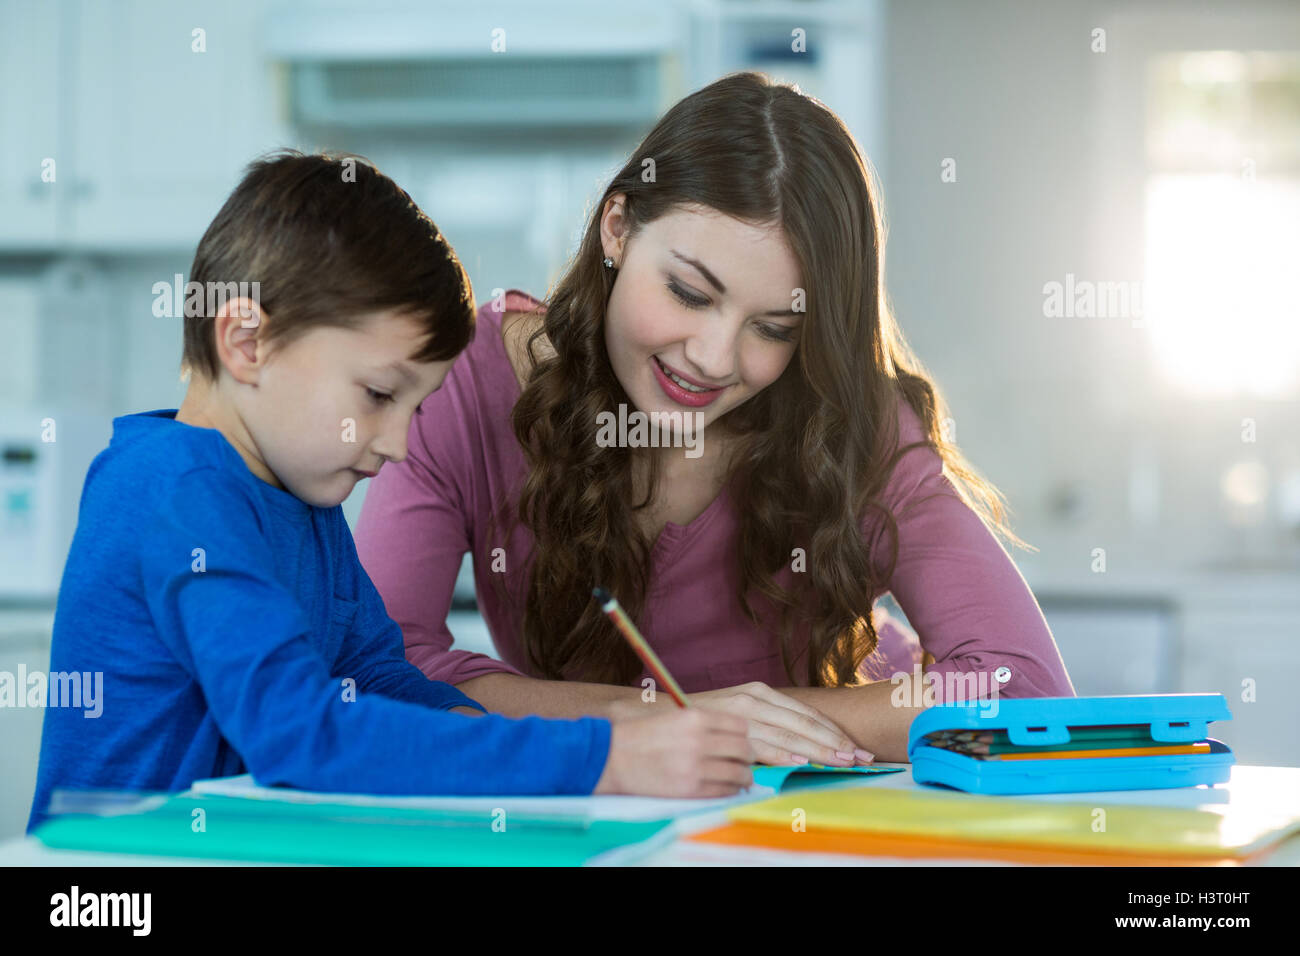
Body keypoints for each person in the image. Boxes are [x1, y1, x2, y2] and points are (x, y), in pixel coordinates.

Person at [354, 73, 1076, 767]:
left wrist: (746, 723)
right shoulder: (466, 385)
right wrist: (675, 723)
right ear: (617, 227)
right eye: (689, 293)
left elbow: (1021, 686)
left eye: (773, 328)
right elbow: (383, 671)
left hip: (821, 797)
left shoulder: (853, 420)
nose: (712, 358)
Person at [27, 151, 755, 834]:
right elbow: (300, 734)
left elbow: (375, 677)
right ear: (247, 343)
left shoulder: (302, 502)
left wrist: (590, 735)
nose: (398, 443)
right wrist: (598, 764)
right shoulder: (176, 490)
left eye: (415, 407)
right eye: (378, 395)